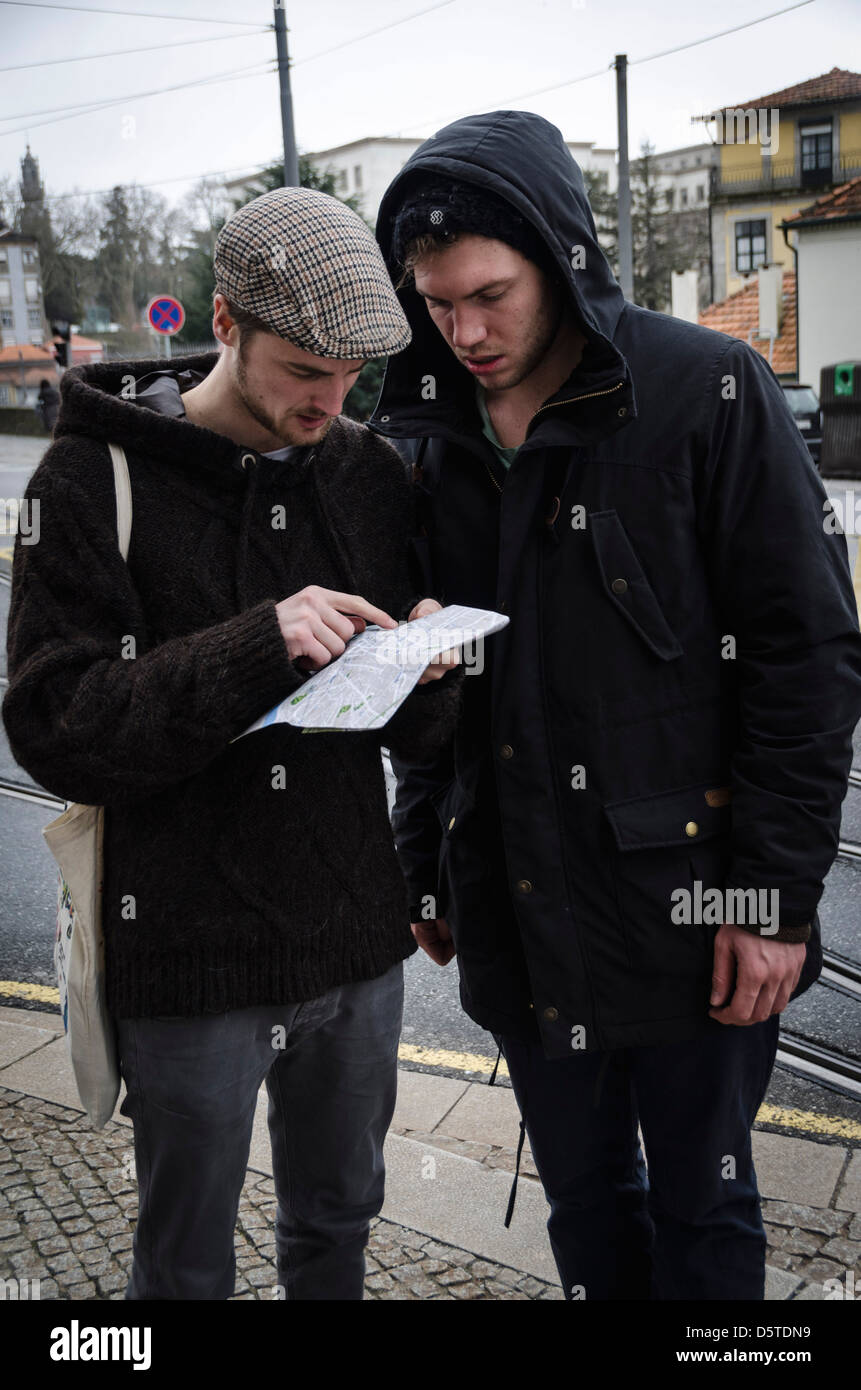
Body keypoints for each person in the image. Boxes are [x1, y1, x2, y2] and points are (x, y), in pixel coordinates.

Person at [369, 110, 861, 1301]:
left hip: (696, 914)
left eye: (489, 293)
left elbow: (807, 660)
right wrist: (425, 861)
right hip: (519, 915)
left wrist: (777, 904)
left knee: (708, 1215)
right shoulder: (420, 441)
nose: (466, 332)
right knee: (586, 1211)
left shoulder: (708, 390)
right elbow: (427, 675)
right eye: (435, 305)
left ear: (563, 257)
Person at [2, 186, 463, 1301]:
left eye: (352, 372)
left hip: (355, 946)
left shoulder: (364, 470)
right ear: (223, 324)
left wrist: (430, 668)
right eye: (305, 367)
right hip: (189, 956)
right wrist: (260, 643)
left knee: (338, 1228)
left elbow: (408, 729)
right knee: (185, 1263)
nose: (332, 398)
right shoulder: (90, 476)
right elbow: (58, 724)